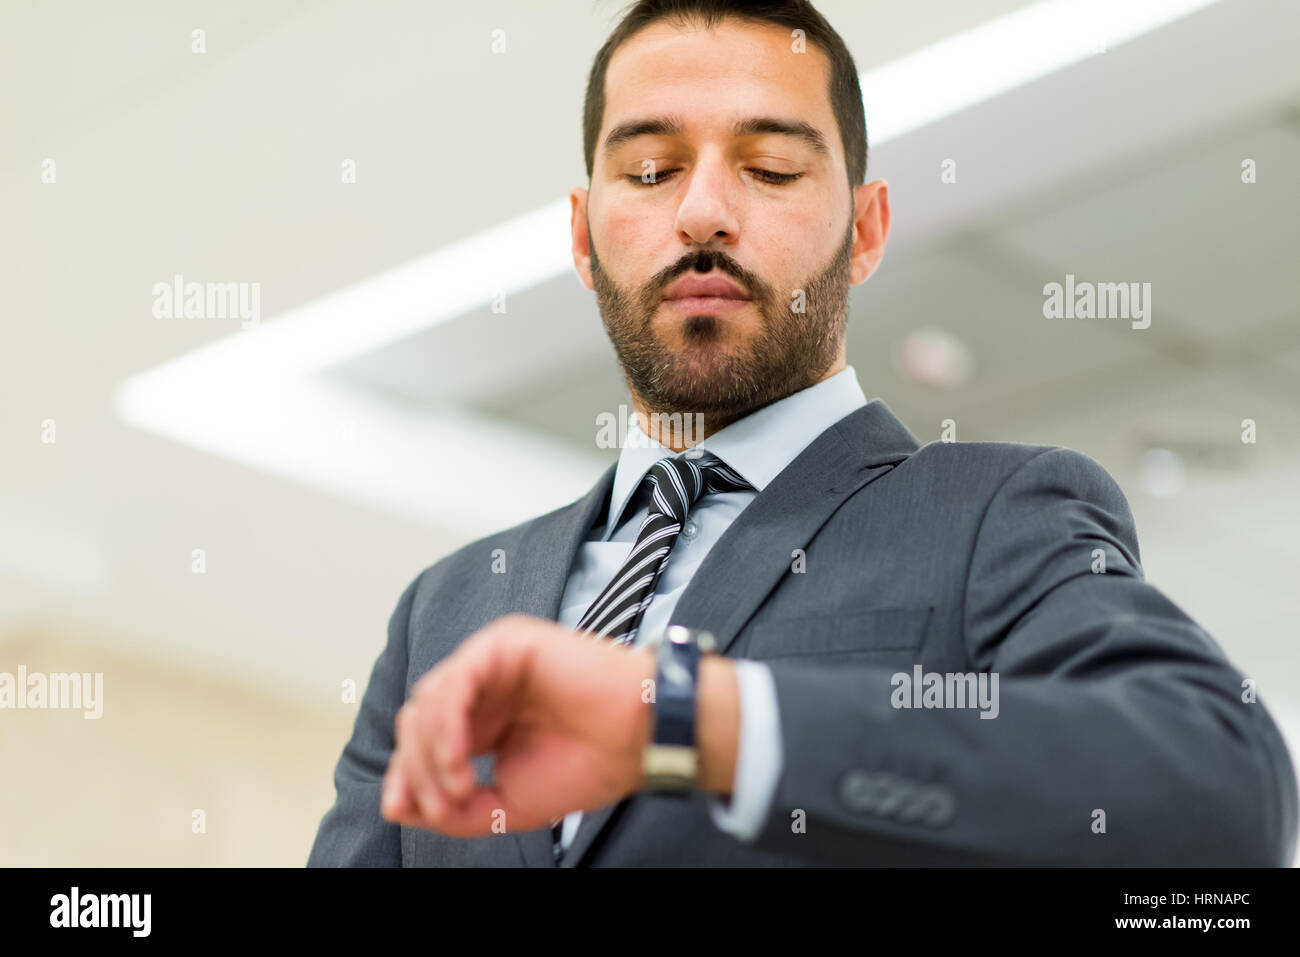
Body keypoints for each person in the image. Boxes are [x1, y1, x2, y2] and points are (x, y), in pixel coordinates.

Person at [308, 0, 1297, 867]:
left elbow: (1218, 790)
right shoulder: (443, 616)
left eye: (770, 168)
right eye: (650, 169)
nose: (702, 212)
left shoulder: (991, 516)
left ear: (863, 231)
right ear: (580, 235)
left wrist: (695, 719)